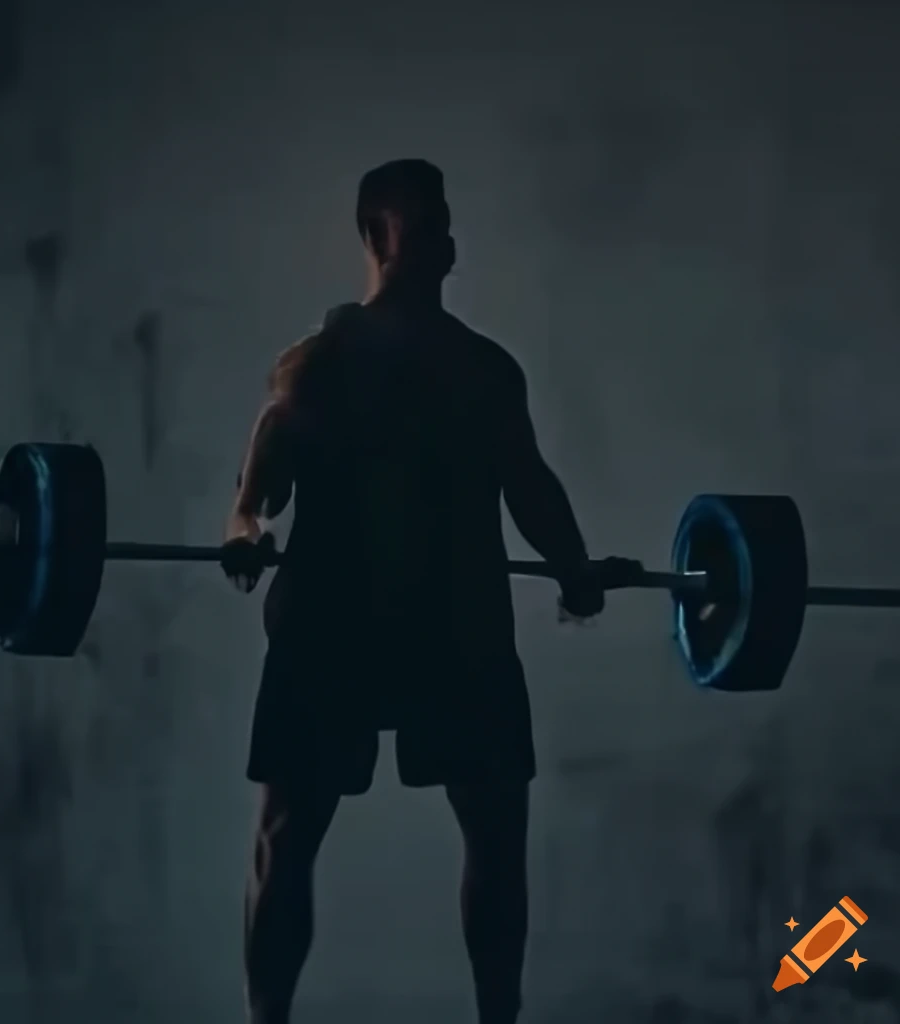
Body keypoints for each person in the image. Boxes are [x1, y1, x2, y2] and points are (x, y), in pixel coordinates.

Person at [223, 159, 606, 1024]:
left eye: (442, 222)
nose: (440, 238)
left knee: (498, 831)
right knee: (284, 834)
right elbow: (252, 497)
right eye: (419, 222)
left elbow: (529, 486)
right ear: (375, 236)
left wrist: (575, 568)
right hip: (333, 622)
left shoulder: (484, 372)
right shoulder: (313, 368)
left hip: (453, 624)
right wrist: (244, 538)